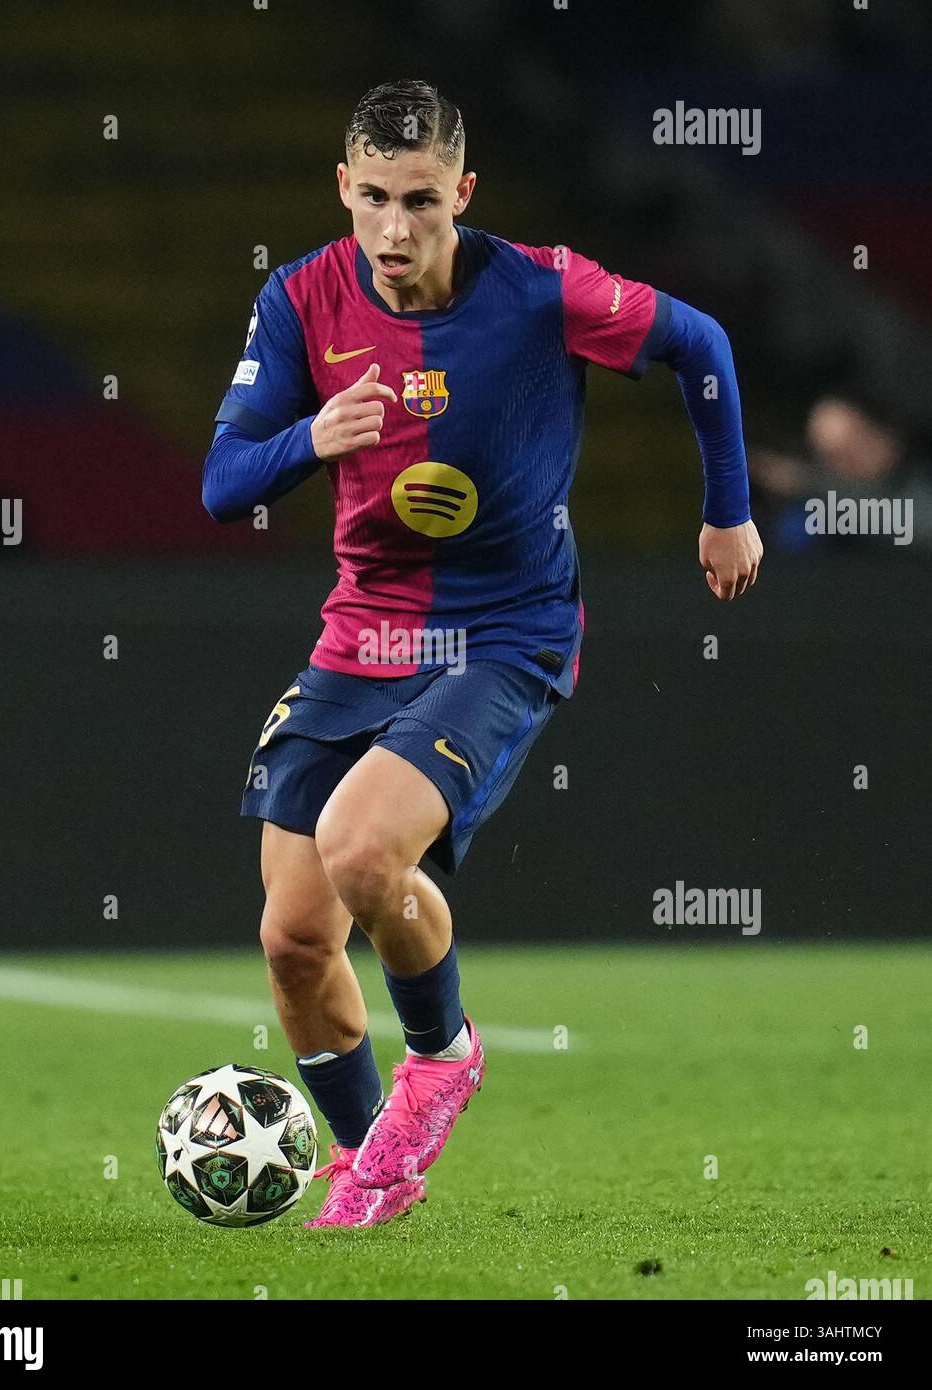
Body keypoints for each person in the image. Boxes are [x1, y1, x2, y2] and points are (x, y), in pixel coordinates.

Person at [202, 80, 763, 1228]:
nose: (394, 230)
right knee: (294, 937)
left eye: (419, 201)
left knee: (364, 852)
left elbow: (699, 347)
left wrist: (727, 511)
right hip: (361, 634)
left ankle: (444, 1055)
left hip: (499, 633)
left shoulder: (542, 291)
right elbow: (221, 485)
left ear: (462, 191)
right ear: (342, 189)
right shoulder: (299, 297)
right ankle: (374, 1164)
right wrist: (311, 435)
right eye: (372, 199)